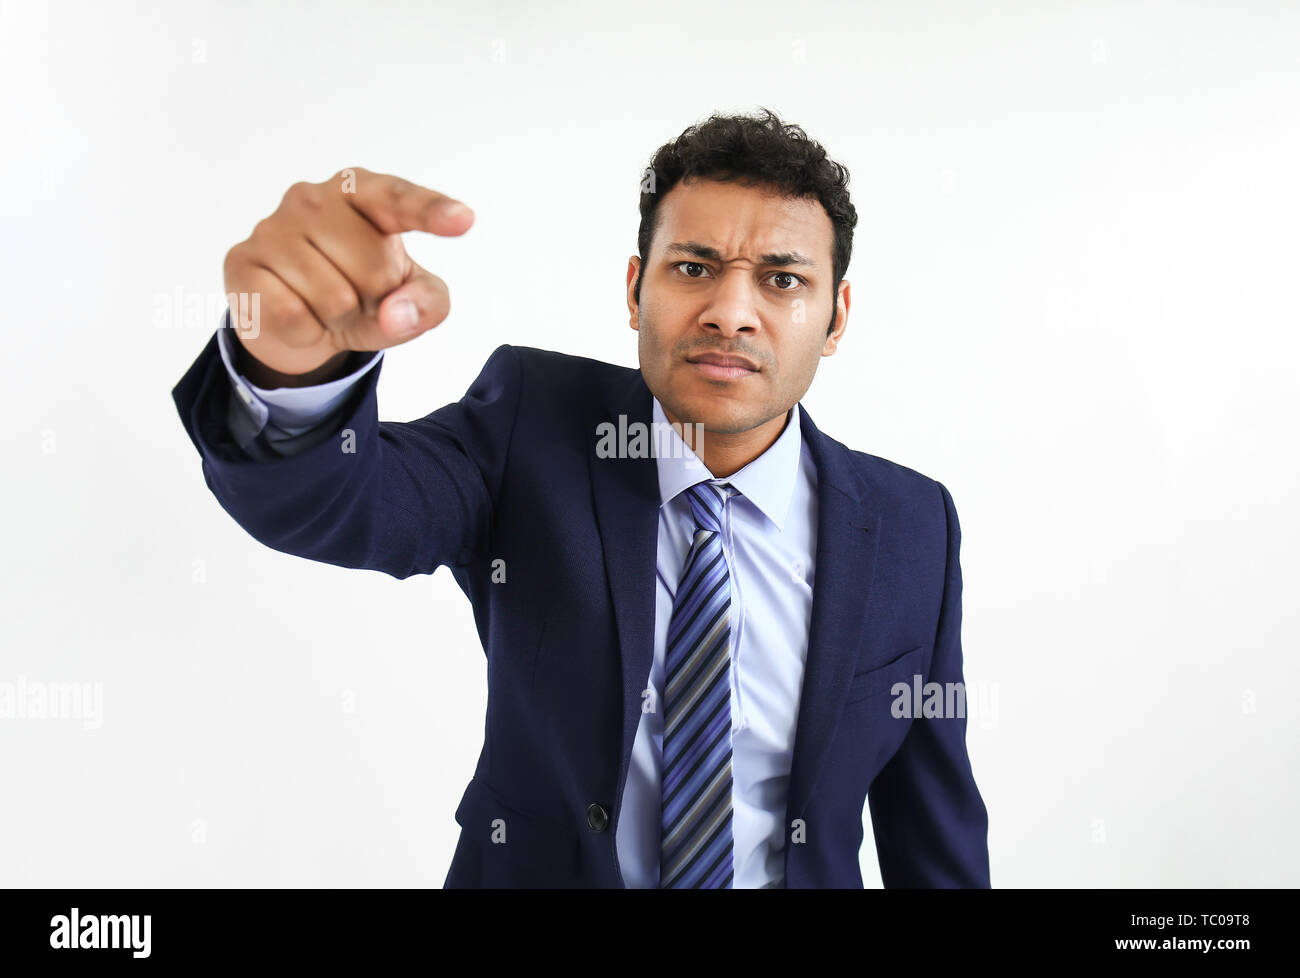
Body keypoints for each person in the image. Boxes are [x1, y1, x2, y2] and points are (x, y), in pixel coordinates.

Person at [172, 107, 990, 888]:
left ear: (836, 316)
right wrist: (291, 372)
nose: (731, 313)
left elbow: (934, 828)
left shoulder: (914, 525)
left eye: (782, 280)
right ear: (636, 288)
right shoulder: (531, 423)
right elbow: (347, 505)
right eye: (693, 268)